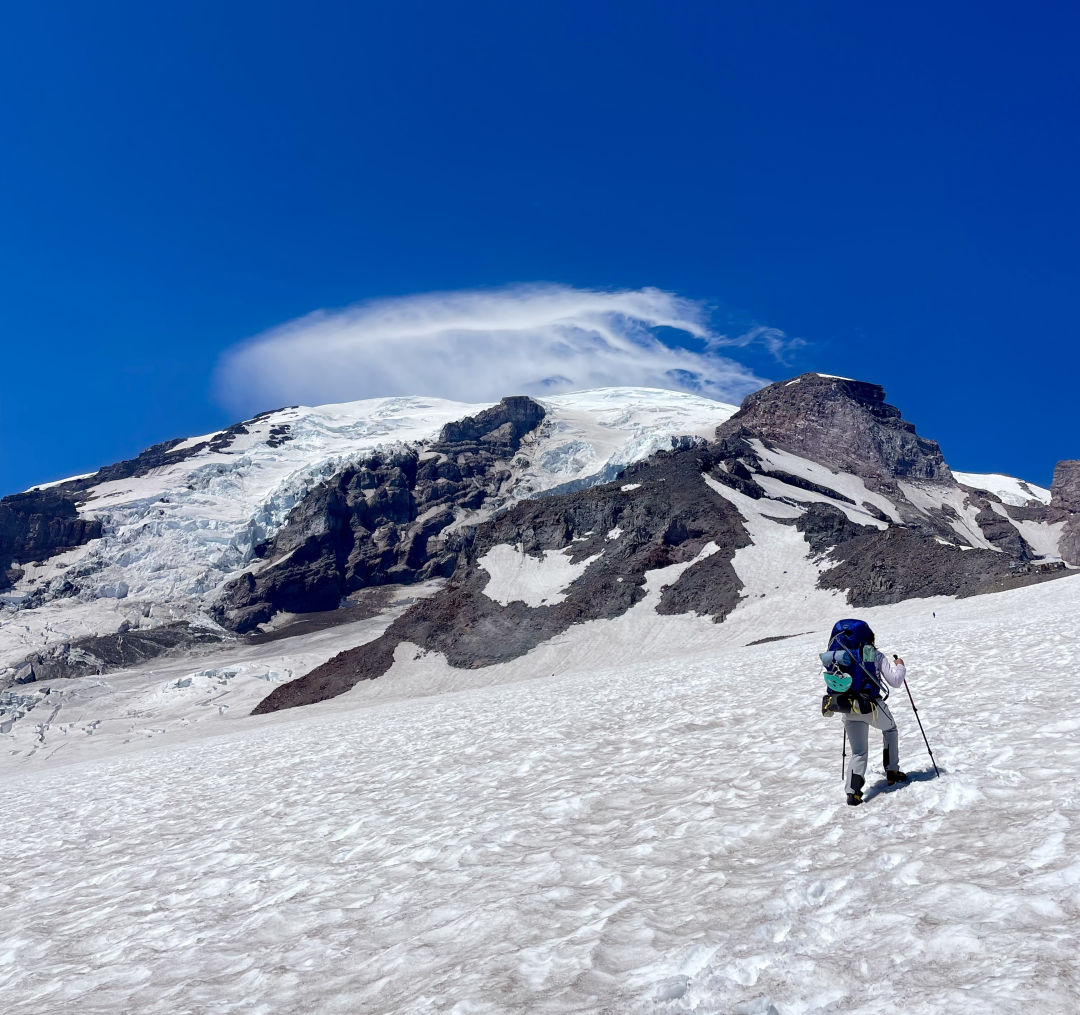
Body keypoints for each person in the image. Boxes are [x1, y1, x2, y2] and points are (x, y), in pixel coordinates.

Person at [843, 643, 908, 806]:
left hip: (849, 707)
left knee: (858, 752)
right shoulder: (875, 655)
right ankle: (892, 771)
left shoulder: (843, 656)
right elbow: (896, 681)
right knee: (890, 729)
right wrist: (900, 666)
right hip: (872, 706)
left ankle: (852, 793)